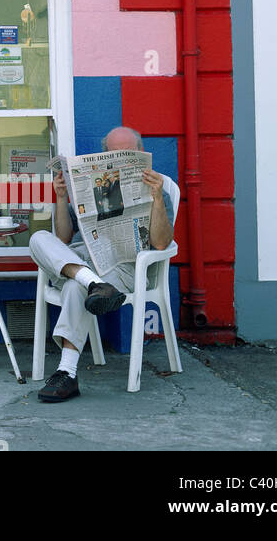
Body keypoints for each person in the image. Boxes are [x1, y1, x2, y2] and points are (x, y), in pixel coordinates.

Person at [29, 126, 175, 402]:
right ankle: (93, 282)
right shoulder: (97, 185)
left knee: (75, 287)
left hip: (125, 267)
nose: (118, 156)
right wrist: (61, 199)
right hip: (84, 262)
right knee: (39, 238)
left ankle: (66, 372)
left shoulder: (157, 190)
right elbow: (62, 238)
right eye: (112, 152)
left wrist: (156, 199)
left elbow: (160, 244)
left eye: (126, 152)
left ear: (140, 153)